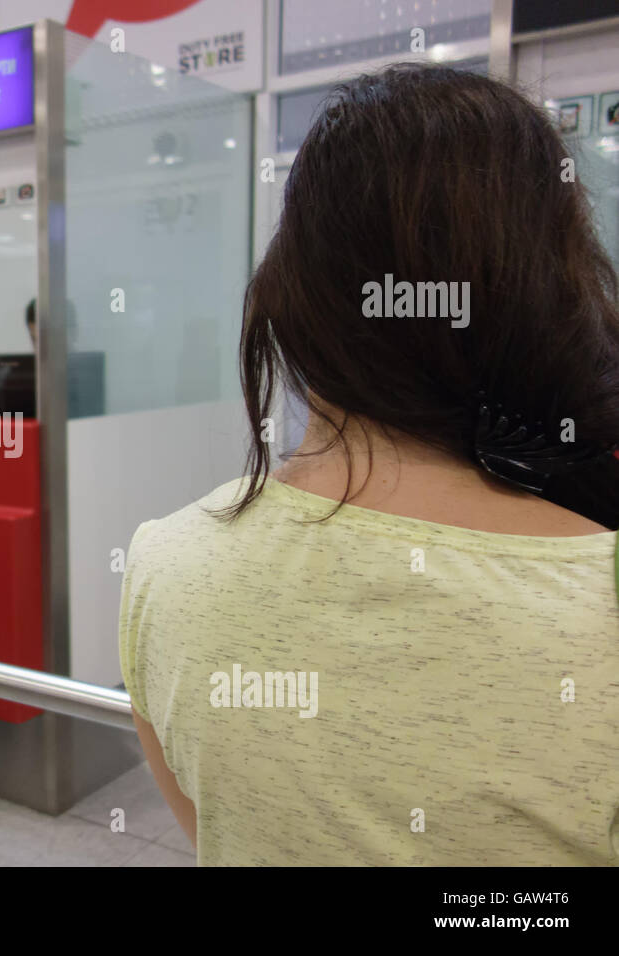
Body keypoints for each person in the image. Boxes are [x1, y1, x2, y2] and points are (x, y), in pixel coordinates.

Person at [119, 65, 619, 865]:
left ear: (293, 291)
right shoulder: (597, 598)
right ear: (557, 293)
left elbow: (215, 828)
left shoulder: (163, 563)